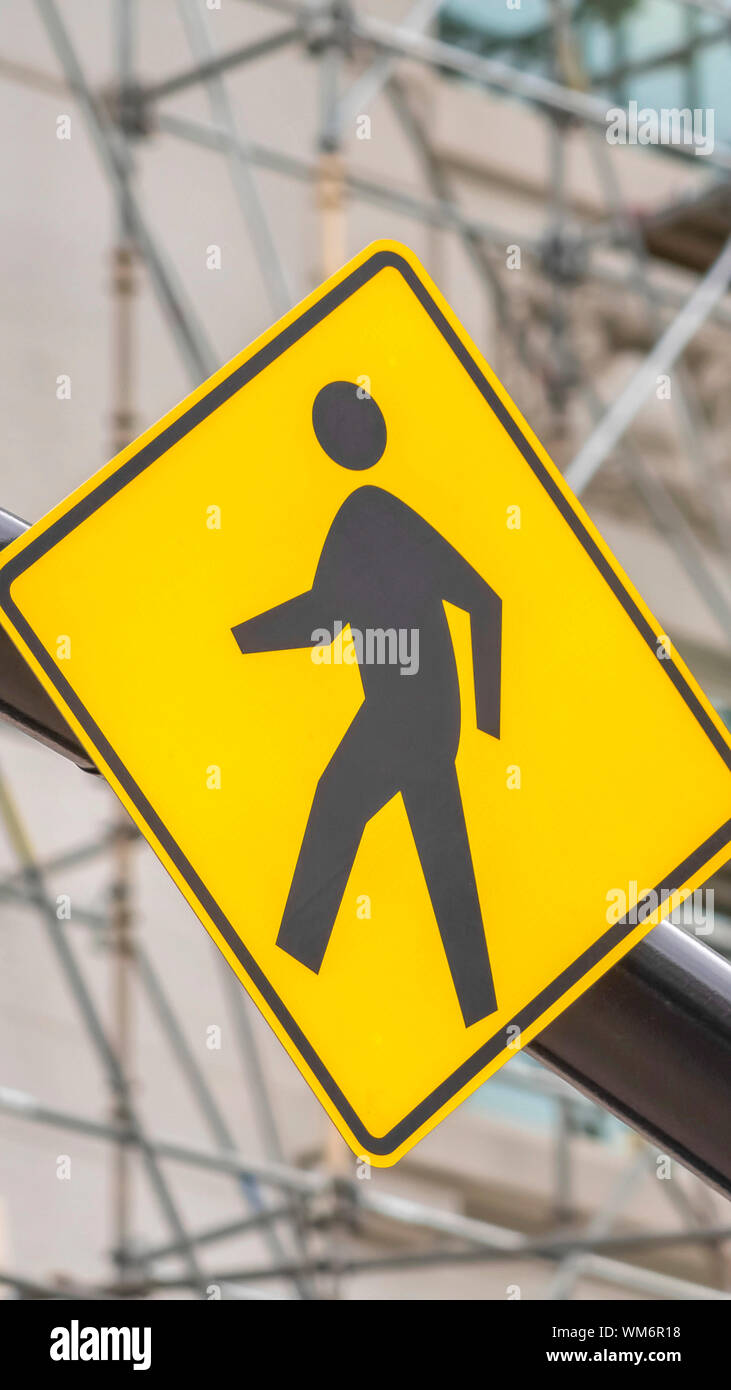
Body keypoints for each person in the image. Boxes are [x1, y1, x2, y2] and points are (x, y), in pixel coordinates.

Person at [232, 381, 502, 1027]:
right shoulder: (368, 513)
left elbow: (483, 602)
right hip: (417, 716)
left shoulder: (371, 514)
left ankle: (297, 967)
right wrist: (238, 641)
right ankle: (479, 1004)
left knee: (339, 809)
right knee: (442, 860)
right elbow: (328, 617)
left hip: (406, 715)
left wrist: (491, 721)